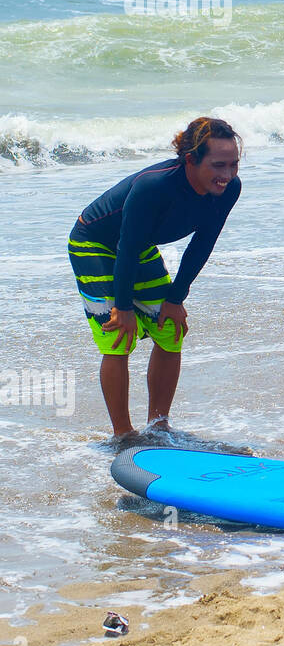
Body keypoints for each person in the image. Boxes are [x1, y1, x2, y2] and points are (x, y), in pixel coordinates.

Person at [68, 118, 242, 438]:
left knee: (170, 329)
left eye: (234, 164)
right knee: (118, 335)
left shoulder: (228, 189)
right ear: (191, 159)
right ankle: (124, 435)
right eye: (219, 165)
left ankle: (158, 426)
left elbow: (203, 244)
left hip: (137, 245)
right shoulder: (154, 186)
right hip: (95, 243)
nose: (227, 175)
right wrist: (123, 306)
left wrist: (175, 300)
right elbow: (127, 247)